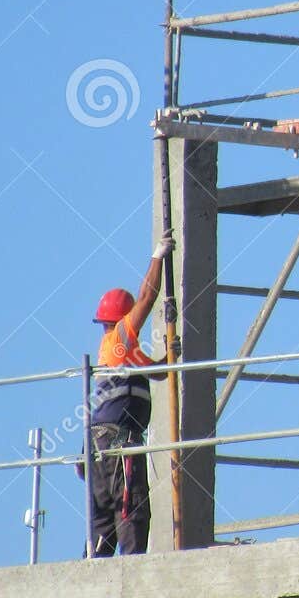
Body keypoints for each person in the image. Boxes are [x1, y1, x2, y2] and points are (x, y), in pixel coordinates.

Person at [85, 236, 173, 556]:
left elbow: (158, 372)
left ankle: (93, 584)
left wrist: (174, 354)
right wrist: (157, 257)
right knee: (132, 514)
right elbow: (148, 296)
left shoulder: (122, 352)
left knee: (103, 527)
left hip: (98, 448)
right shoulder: (121, 337)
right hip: (119, 446)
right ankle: (130, 584)